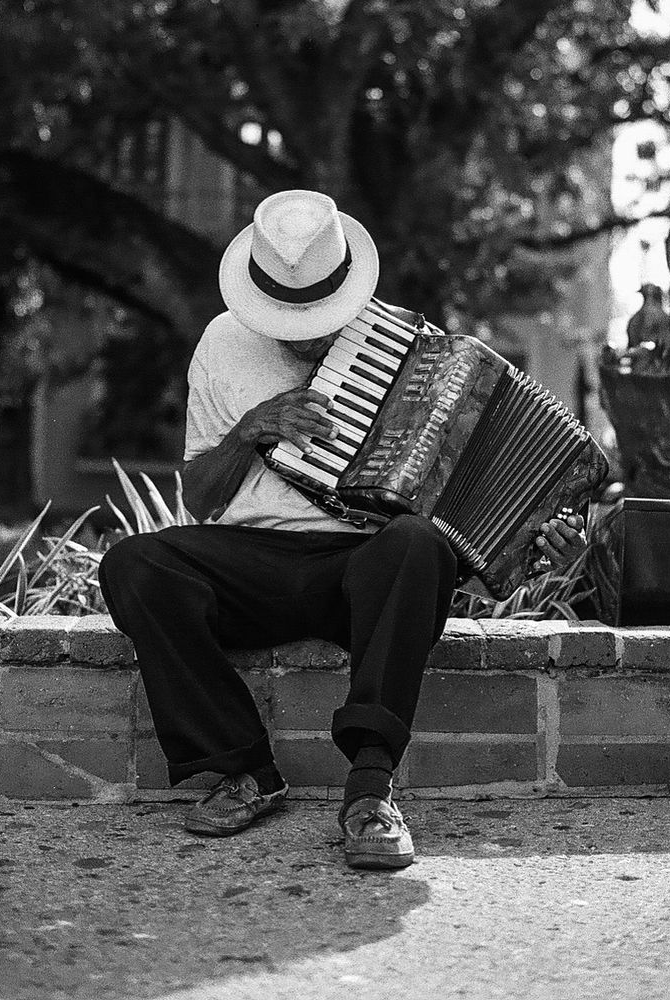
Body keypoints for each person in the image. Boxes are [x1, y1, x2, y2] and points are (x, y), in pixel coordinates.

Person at [98, 189, 585, 870]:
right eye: (290, 318)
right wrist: (249, 431)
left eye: (322, 315)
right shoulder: (220, 342)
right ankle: (246, 770)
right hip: (253, 562)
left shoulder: (412, 351)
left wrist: (535, 537)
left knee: (417, 543)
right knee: (134, 565)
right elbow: (200, 498)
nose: (308, 333)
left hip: (362, 566)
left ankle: (371, 791)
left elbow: (462, 505)